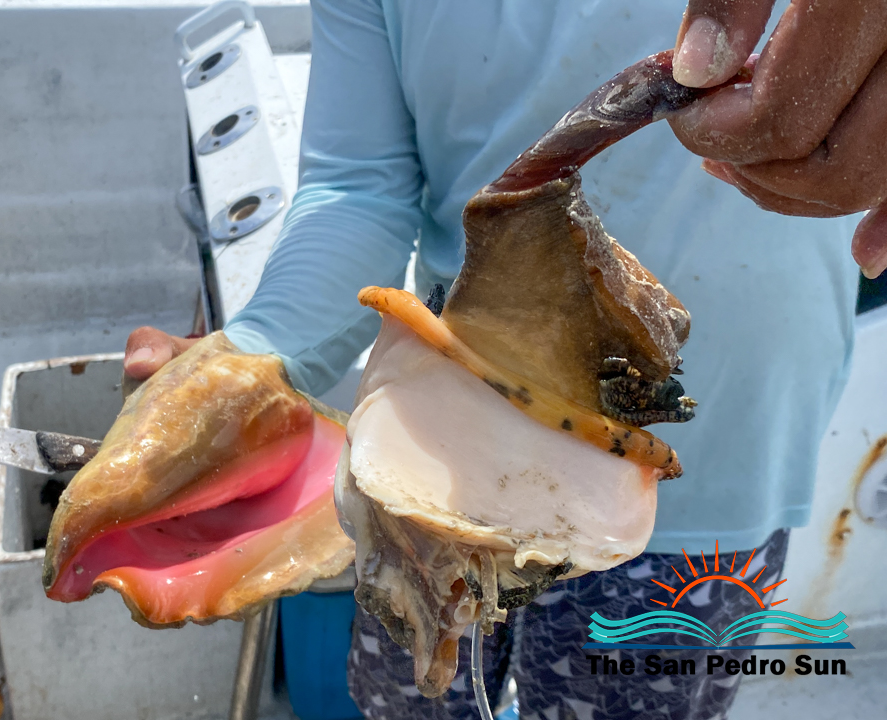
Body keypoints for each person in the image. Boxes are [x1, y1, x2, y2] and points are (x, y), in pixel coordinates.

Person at [124, 2, 886, 718]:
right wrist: (256, 357)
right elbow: (360, 185)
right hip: (431, 473)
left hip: (719, 463)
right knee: (413, 692)